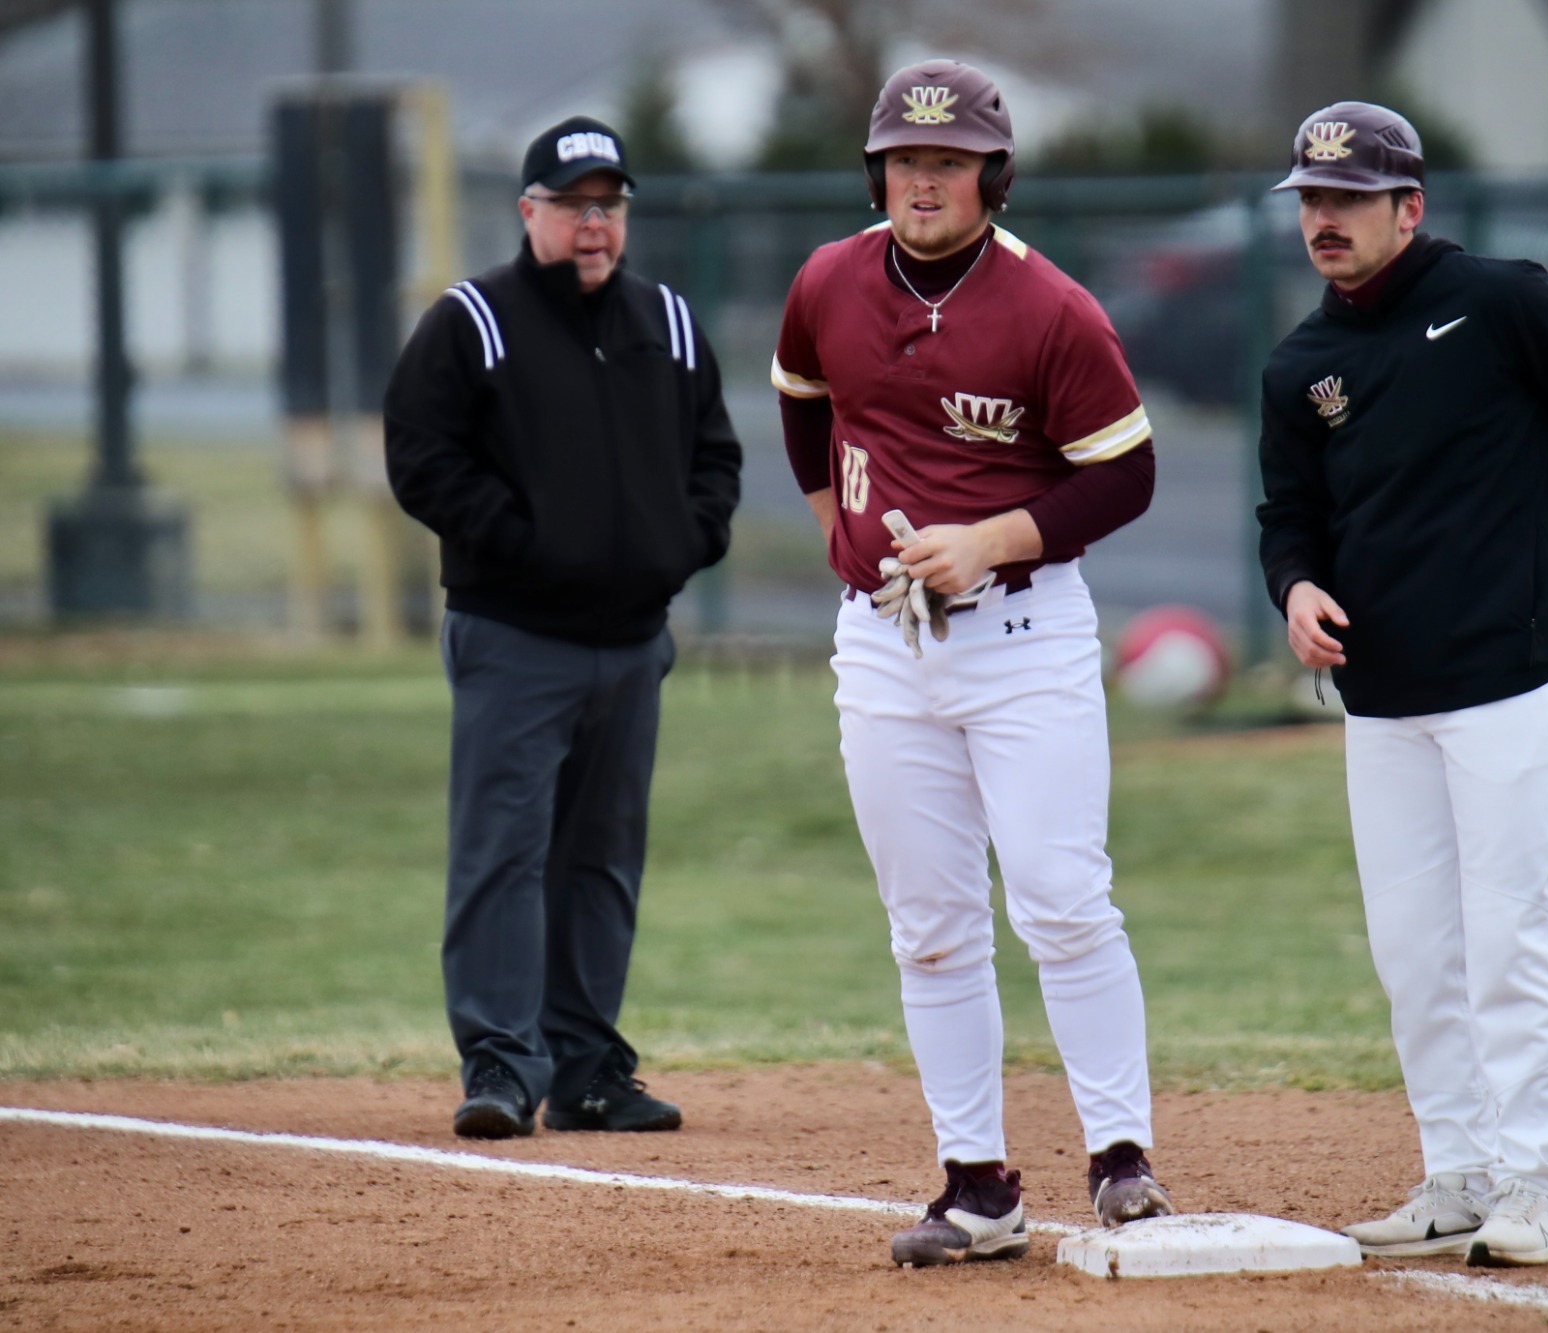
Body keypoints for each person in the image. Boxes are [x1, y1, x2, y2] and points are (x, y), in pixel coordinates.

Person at [1256, 103, 1548, 1266]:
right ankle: (1453, 1172)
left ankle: (1530, 1183)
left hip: (1510, 676)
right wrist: (1293, 589)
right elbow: (1286, 517)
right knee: (1412, 949)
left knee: (1506, 936)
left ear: (1410, 206)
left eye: (1346, 198)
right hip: (1380, 696)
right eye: (1308, 200)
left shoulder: (1500, 302)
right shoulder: (1303, 363)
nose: (1322, 219)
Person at [771, 59, 1172, 1266]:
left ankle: (1119, 1158)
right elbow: (799, 398)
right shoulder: (829, 280)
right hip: (881, 644)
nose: (922, 180)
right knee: (931, 926)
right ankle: (977, 1186)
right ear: (876, 172)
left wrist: (991, 540)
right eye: (903, 159)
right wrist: (836, 531)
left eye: (946, 162)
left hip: (1025, 635)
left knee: (1058, 894)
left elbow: (1126, 472)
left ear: (992, 176)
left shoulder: (1051, 310)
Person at [385, 116, 742, 1139]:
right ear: (528, 210)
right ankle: (500, 1065)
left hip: (632, 640)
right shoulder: (473, 321)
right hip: (515, 634)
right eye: (574, 204)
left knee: (601, 858)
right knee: (503, 852)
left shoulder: (667, 323)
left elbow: (714, 457)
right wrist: (521, 543)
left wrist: (685, 541)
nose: (594, 224)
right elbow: (421, 455)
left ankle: (585, 1066)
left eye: (610, 204)